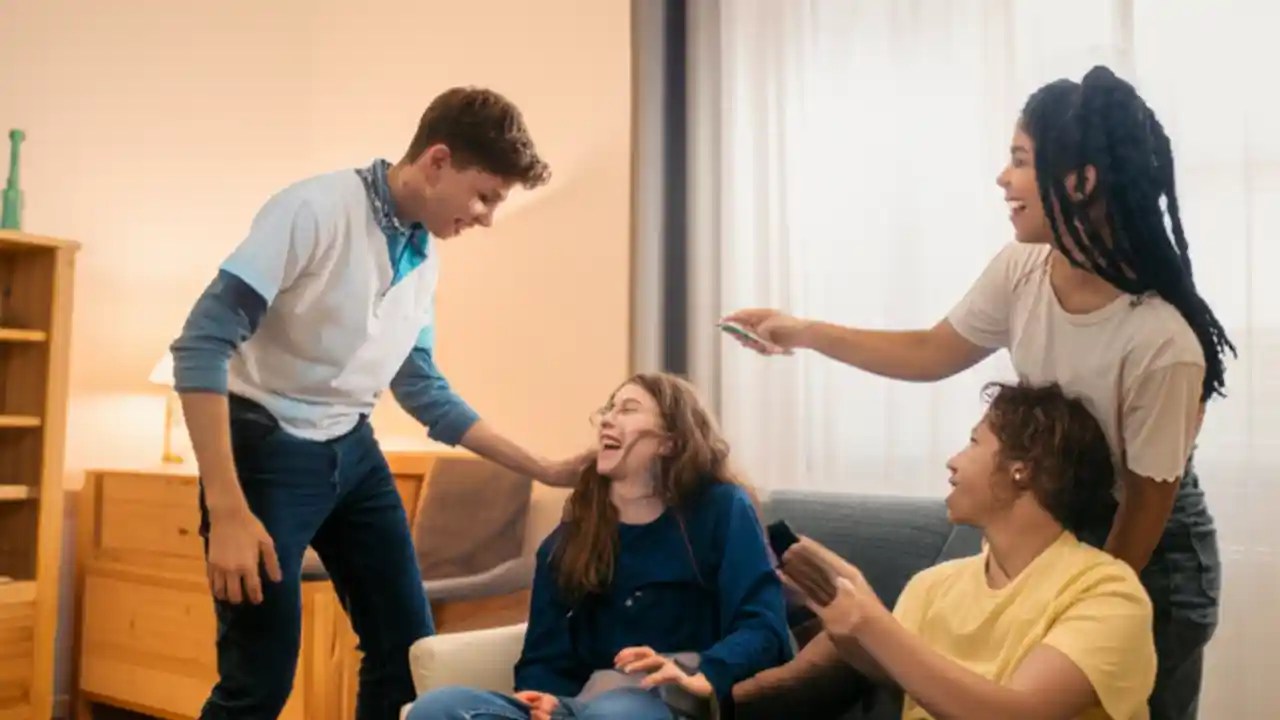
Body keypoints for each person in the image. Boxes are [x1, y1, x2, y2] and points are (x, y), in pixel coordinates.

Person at [723, 65, 1229, 720]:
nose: (1003, 179)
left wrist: (1080, 605)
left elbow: (1144, 508)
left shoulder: (1161, 341)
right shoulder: (1022, 269)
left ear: (1080, 181)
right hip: (1057, 516)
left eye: (1019, 161)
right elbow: (933, 351)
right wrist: (806, 332)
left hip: (1147, 553)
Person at [170, 87, 589, 720]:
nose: (487, 218)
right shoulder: (312, 211)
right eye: (485, 197)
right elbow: (200, 347)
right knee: (258, 682)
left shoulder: (424, 260)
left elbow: (422, 388)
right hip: (264, 449)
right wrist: (227, 511)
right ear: (438, 162)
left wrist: (545, 469)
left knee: (408, 653)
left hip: (353, 452)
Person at [406, 372, 794, 720]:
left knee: (615, 712)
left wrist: (706, 672)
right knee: (437, 708)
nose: (608, 418)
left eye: (628, 409)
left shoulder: (721, 509)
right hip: (579, 706)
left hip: (668, 699)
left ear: (670, 443)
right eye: (608, 410)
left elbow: (764, 625)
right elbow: (544, 656)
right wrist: (543, 700)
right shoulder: (571, 537)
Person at [762, 381, 1157, 720]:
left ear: (1023, 469)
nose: (952, 462)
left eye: (972, 443)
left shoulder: (1108, 593)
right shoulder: (933, 587)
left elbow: (1018, 715)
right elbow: (906, 681)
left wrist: (870, 621)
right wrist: (835, 616)